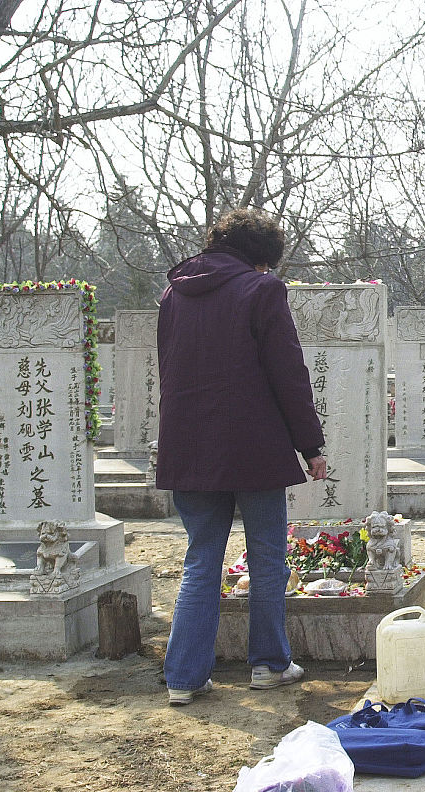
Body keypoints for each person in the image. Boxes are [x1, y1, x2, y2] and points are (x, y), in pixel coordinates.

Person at [156, 208, 327, 706]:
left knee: (201, 559)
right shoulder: (262, 291)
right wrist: (310, 446)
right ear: (261, 260)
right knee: (268, 555)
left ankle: (184, 677)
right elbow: (287, 372)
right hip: (253, 446)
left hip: (191, 449)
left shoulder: (174, 293)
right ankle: (269, 665)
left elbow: (170, 371)